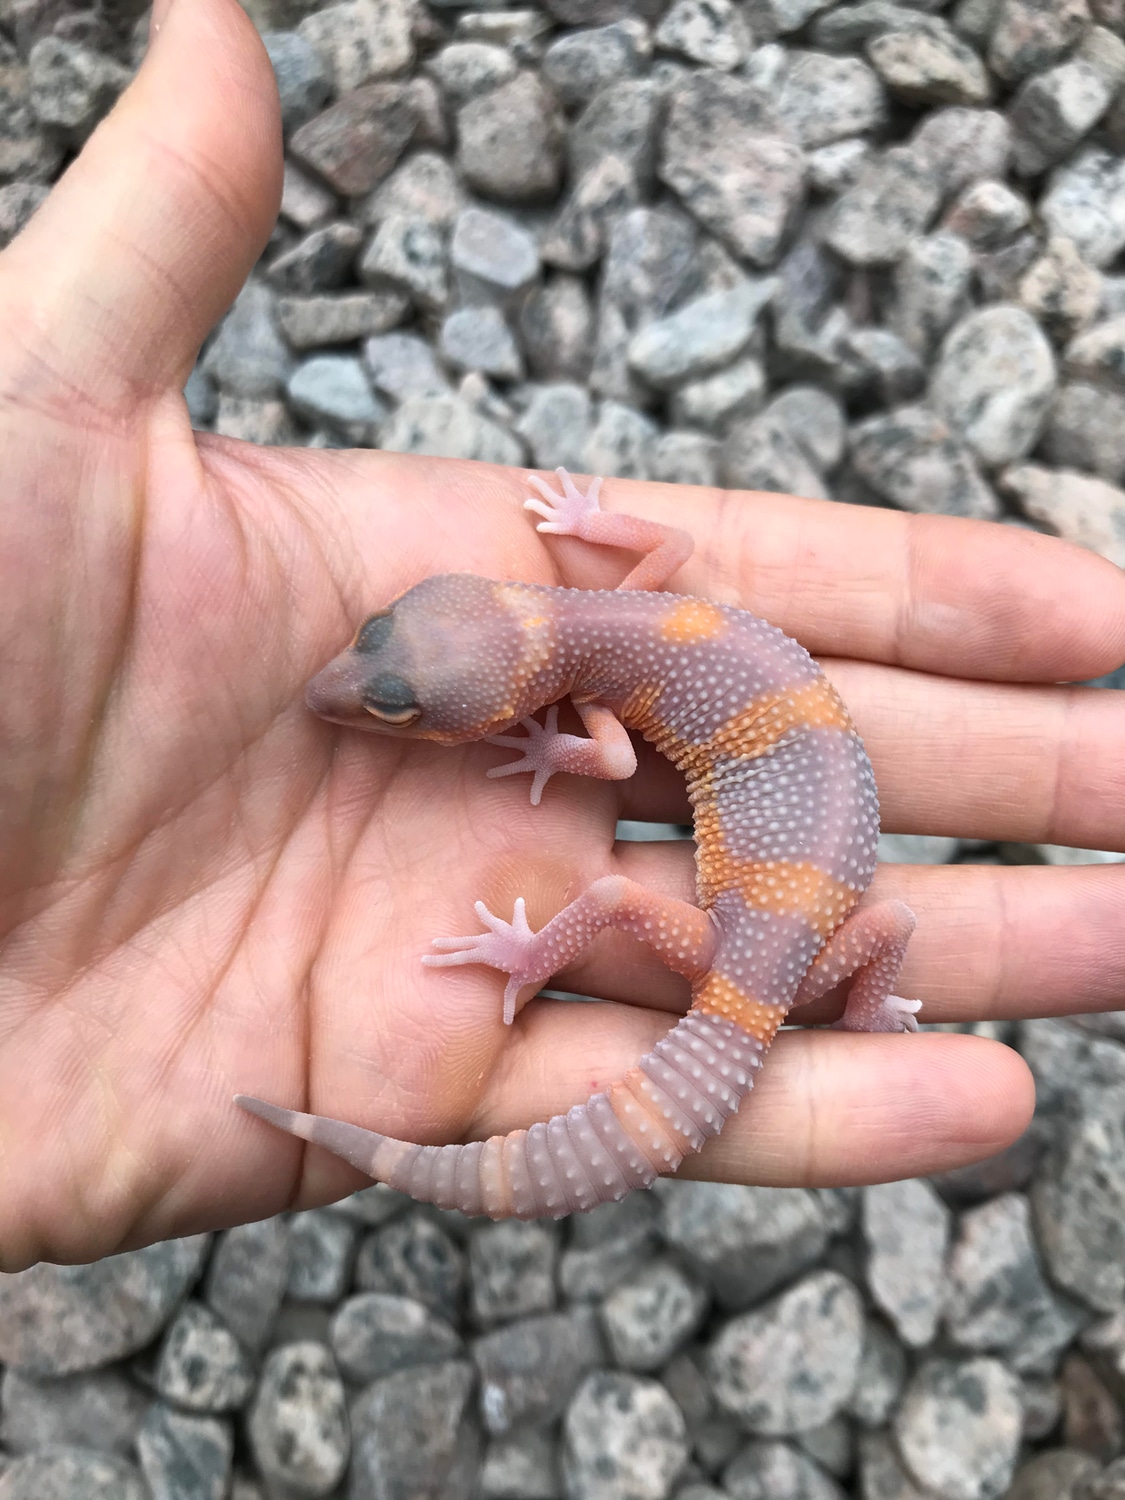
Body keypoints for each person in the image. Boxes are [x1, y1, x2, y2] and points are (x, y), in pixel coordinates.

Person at [0, 0, 1121, 1273]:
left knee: (610, 899)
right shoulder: (625, 622)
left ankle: (572, 960)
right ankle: (860, 1011)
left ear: (507, 662)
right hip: (799, 933)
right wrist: (593, 533)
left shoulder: (603, 680)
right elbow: (655, 602)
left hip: (764, 947)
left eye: (398, 707)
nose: (350, 691)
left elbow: (603, 751)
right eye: (389, 671)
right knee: (824, 926)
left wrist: (542, 917)